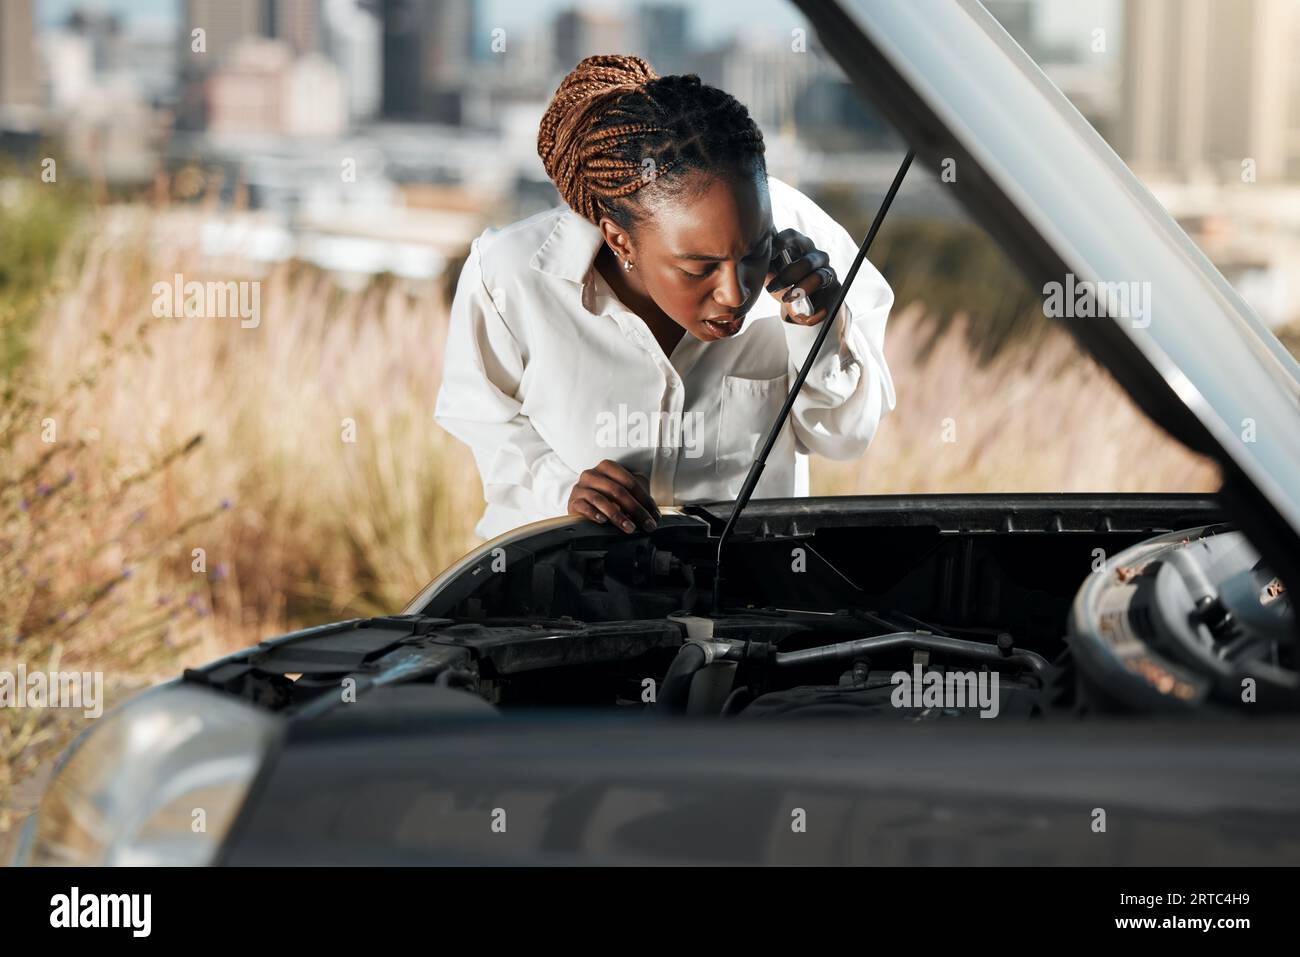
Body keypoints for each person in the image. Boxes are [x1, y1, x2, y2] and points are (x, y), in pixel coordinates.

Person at [436, 54, 897, 542]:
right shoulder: (509, 276)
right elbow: (480, 416)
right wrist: (560, 488)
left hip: (745, 597)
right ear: (620, 241)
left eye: (754, 254)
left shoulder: (815, 251)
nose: (735, 292)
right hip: (559, 590)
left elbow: (845, 438)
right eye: (698, 268)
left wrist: (819, 333)